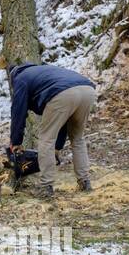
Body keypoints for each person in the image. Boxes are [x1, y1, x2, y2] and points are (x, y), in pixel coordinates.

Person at [8, 62, 96, 198]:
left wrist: (15, 142)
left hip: (64, 94)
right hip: (87, 91)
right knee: (78, 139)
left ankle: (45, 186)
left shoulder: (20, 79)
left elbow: (18, 112)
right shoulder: (44, 72)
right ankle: (85, 182)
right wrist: (57, 147)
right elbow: (63, 118)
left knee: (46, 139)